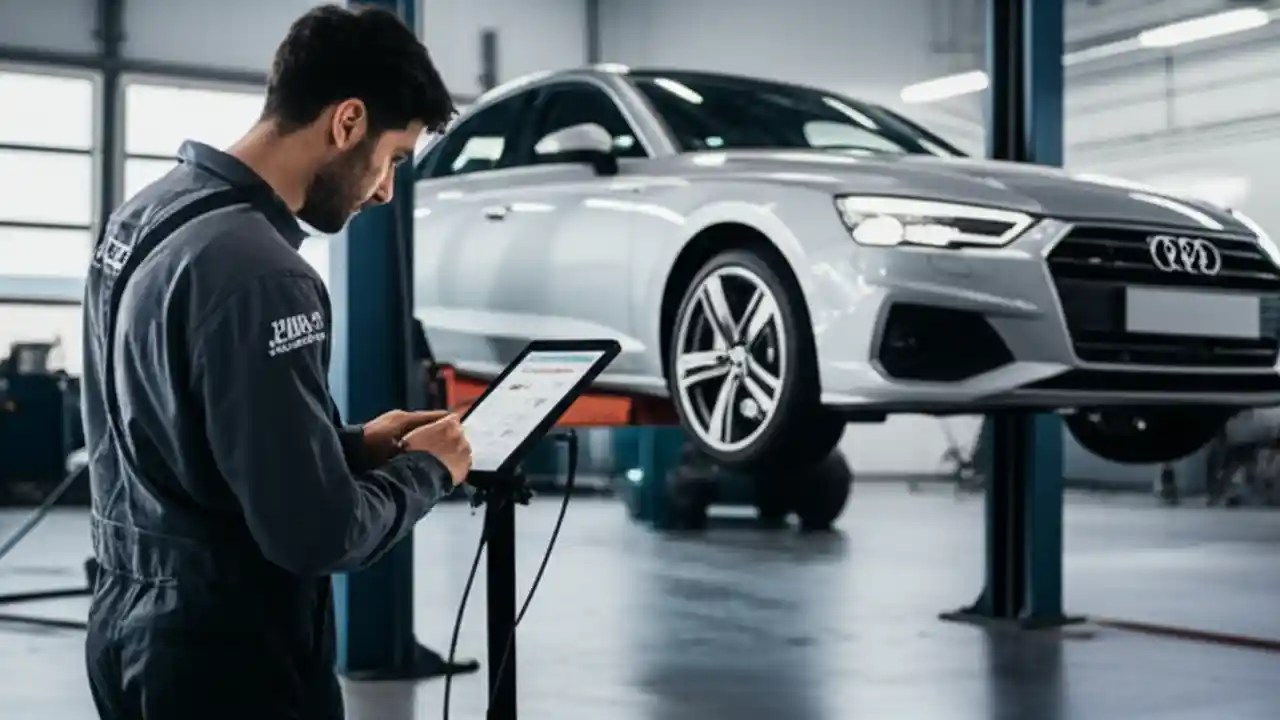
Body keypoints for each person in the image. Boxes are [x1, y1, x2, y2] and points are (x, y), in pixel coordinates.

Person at [80, 6, 464, 718]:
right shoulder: (267, 274)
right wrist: (429, 471)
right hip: (229, 658)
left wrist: (349, 448)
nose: (384, 190)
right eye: (394, 159)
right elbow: (316, 533)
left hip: (127, 624)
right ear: (347, 122)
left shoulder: (142, 216)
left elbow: (176, 441)